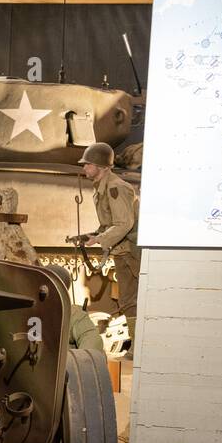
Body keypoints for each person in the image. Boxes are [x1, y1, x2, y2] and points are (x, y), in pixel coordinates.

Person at [70, 142, 141, 351]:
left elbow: (124, 223)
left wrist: (100, 240)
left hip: (131, 250)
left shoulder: (116, 187)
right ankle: (137, 347)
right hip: (123, 250)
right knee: (128, 300)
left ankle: (141, 346)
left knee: (136, 298)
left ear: (100, 166)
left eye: (87, 164)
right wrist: (92, 235)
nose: (84, 168)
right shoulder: (103, 187)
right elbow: (110, 223)